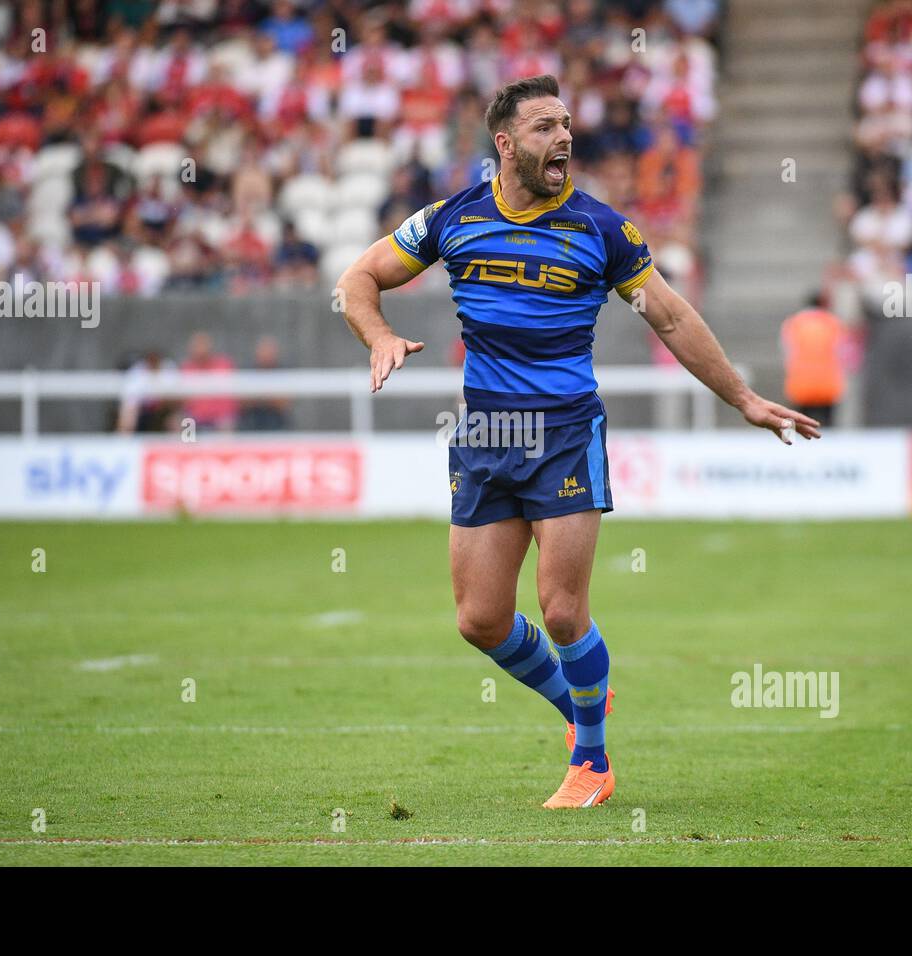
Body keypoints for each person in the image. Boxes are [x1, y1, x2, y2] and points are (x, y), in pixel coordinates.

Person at [336, 75, 820, 810]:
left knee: (562, 611)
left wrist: (744, 398)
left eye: (565, 124)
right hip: (486, 434)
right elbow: (359, 277)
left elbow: (672, 318)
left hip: (564, 432)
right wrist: (377, 337)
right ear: (504, 145)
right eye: (543, 128)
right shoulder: (451, 219)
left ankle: (591, 763)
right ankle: (582, 706)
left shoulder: (602, 229)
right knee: (479, 620)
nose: (563, 137)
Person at [780, 294, 847, 426]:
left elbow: (787, 351)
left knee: (801, 424)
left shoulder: (794, 323)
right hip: (828, 383)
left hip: (800, 382)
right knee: (828, 425)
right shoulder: (832, 322)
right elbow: (841, 351)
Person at [239, 336, 291, 431]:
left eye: (270, 352)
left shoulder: (282, 372)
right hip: (252, 420)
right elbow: (243, 402)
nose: (267, 356)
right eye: (264, 351)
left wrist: (257, 395)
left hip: (276, 420)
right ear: (257, 353)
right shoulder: (248, 371)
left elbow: (283, 403)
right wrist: (270, 396)